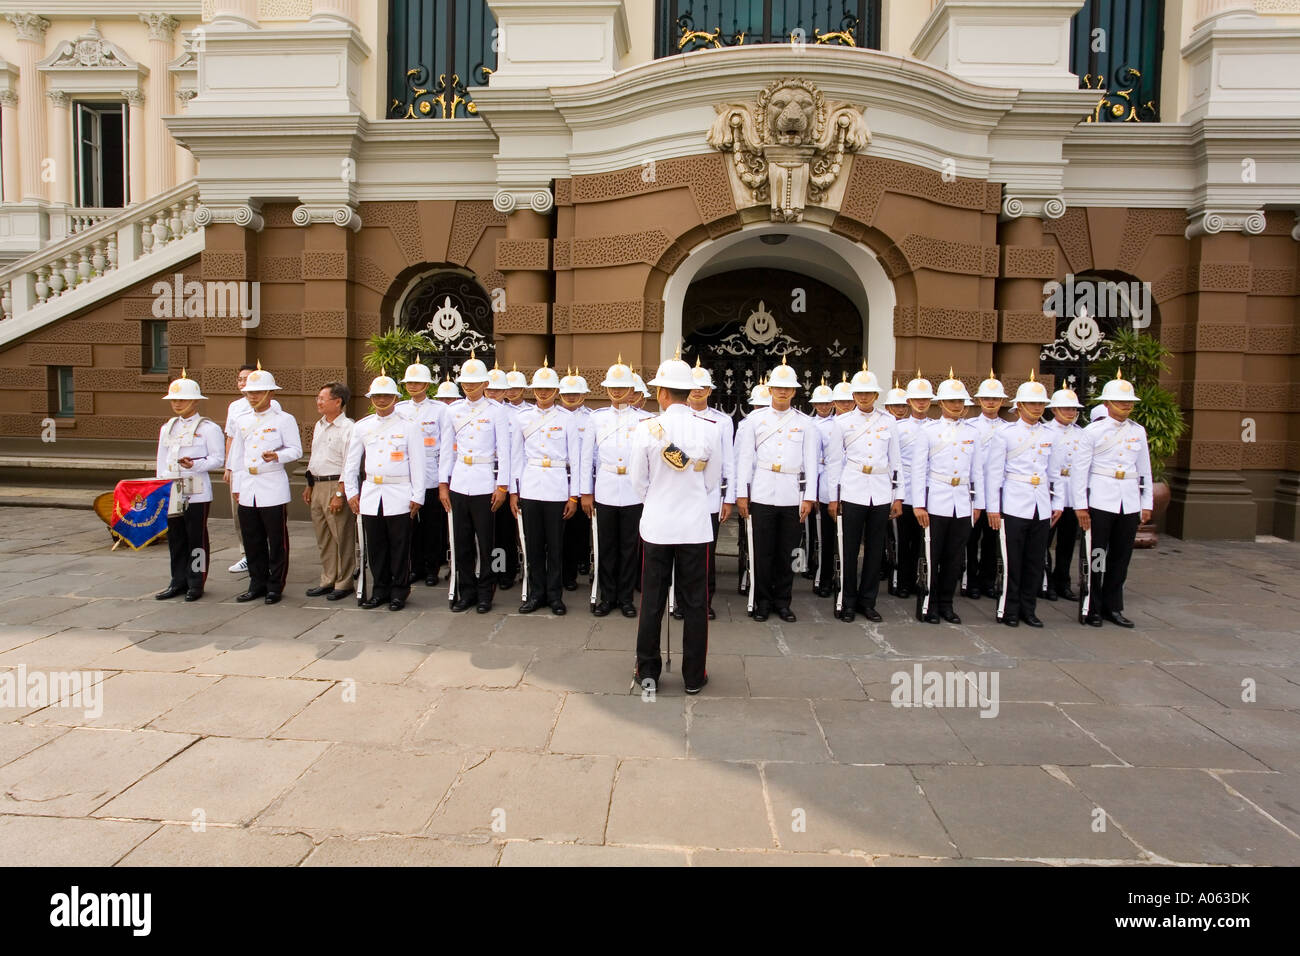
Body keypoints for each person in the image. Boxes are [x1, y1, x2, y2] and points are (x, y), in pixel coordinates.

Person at [630, 354, 722, 696]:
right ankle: (694, 675)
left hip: (657, 526)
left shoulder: (646, 429)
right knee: (696, 602)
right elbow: (712, 482)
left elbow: (638, 482)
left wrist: (656, 499)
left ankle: (648, 671)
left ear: (664, 394)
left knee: (652, 600)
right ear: (688, 393)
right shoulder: (710, 430)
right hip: (695, 527)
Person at [735, 358, 818, 623]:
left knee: (788, 552)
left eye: (787, 388)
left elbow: (811, 463)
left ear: (794, 392)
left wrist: (809, 497)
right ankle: (762, 601)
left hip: (792, 494)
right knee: (762, 551)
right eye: (778, 387)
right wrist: (741, 494)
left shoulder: (806, 423)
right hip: (762, 491)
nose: (782, 392)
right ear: (770, 390)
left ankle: (783, 601)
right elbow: (745, 460)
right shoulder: (754, 421)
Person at [1071, 372, 1153, 628]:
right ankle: (1092, 606)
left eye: (1129, 402)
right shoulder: (1093, 432)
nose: (1126, 406)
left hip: (1128, 500)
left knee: (1121, 556)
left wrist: (1146, 502)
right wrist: (1080, 506)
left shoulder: (1137, 432)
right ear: (1106, 404)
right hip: (1100, 499)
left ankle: (1113, 607)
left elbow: (1144, 470)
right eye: (1121, 402)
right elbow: (1079, 471)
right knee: (1097, 555)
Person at [985, 373, 1064, 628]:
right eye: (1032, 404)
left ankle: (1029, 609)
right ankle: (1009, 608)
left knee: (1034, 560)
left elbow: (1055, 473)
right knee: (1012, 562)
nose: (1037, 408)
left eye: (1041, 404)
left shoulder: (1050, 435)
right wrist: (993, 509)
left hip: (1040, 504)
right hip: (1014, 503)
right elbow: (994, 474)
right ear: (1019, 406)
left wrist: (1058, 503)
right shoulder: (1006, 434)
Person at [824, 367, 902, 623]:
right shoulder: (842, 422)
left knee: (875, 550)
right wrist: (834, 498)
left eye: (869, 393)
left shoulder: (888, 420)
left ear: (876, 395)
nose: (864, 397)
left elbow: (896, 461)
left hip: (879, 491)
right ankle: (847, 601)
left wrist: (897, 496)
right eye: (859, 393)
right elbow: (835, 462)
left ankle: (868, 601)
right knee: (848, 549)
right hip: (852, 489)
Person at [438, 353, 513, 613]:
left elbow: (504, 452)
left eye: (474, 383)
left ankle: (486, 592)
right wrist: (442, 484)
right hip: (459, 481)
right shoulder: (453, 410)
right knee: (462, 542)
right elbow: (447, 449)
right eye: (465, 383)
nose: (469, 387)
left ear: (485, 384)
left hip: (484, 482)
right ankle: (466, 591)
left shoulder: (497, 411)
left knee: (488, 544)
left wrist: (502, 486)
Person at [344, 373, 425, 610]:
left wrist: (417, 495)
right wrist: (351, 491)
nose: (381, 400)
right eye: (377, 396)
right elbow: (351, 464)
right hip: (371, 492)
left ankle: (399, 591)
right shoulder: (362, 426)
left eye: (386, 396)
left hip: (399, 491)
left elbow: (418, 465)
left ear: (395, 397)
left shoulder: (409, 427)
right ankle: (379, 589)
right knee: (376, 546)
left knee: (400, 545)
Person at [911, 373, 984, 624]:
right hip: (937, 500)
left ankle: (946, 604)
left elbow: (977, 472)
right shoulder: (929, 431)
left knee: (954, 558)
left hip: (962, 502)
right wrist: (919, 504)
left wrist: (978, 505)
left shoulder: (972, 432)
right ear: (940, 403)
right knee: (931, 556)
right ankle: (927, 604)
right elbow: (919, 470)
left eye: (960, 401)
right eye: (951, 401)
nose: (956, 405)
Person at [227, 365, 301, 604]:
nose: (253, 396)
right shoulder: (242, 420)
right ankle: (256, 582)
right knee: (252, 538)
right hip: (248, 484)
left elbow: (296, 450)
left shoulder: (283, 419)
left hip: (272, 484)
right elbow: (236, 455)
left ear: (270, 393)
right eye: (249, 392)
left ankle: (275, 585)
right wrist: (237, 485)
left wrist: (278, 455)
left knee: (276, 539)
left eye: (258, 392)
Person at [511, 362, 581, 615]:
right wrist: (513, 491)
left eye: (548, 388)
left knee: (556, 545)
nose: (543, 392)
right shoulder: (522, 418)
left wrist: (574, 496)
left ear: (556, 390)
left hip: (557, 486)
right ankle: (535, 594)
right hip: (530, 486)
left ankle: (554, 595)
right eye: (539, 388)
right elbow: (515, 458)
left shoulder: (567, 419)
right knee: (533, 545)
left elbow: (576, 458)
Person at [582, 358, 647, 618]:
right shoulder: (596, 419)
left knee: (629, 547)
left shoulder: (645, 420)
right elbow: (587, 458)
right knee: (606, 547)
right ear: (607, 389)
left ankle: (626, 598)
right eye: (613, 387)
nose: (618, 391)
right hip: (606, 487)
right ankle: (608, 598)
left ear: (632, 390)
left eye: (623, 387)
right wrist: (586, 492)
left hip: (633, 489)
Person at [154, 371, 225, 602]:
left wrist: (195, 464)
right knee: (176, 538)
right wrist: (160, 486)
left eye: (182, 400)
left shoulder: (208, 428)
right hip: (173, 489)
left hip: (196, 490)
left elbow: (218, 459)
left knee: (196, 538)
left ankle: (196, 581)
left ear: (195, 401)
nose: (177, 404)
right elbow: (161, 459)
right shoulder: (168, 427)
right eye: (174, 400)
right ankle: (178, 580)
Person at [678, 359, 734, 620]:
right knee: (681, 550)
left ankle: (703, 602)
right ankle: (680, 600)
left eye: (703, 387)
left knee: (706, 554)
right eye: (693, 387)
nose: (697, 391)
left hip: (710, 495)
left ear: (710, 391)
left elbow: (728, 462)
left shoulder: (721, 422)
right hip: (680, 494)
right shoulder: (676, 418)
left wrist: (728, 498)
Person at [397, 359, 448, 587]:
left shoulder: (439, 410)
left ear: (427, 385)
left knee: (432, 525)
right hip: (406, 474)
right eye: (410, 383)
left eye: (418, 383)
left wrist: (443, 480)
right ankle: (414, 566)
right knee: (410, 525)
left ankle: (431, 568)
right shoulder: (399, 409)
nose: (413, 386)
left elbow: (446, 445)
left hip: (430, 472)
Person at [303, 381, 356, 601]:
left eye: (322, 398)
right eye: (318, 398)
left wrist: (340, 493)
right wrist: (309, 484)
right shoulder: (319, 425)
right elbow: (315, 457)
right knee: (323, 536)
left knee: (341, 535)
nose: (318, 402)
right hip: (317, 484)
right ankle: (328, 578)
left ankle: (344, 582)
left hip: (336, 485)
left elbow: (349, 463)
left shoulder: (349, 428)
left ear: (338, 401)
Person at [964, 372, 1007, 599]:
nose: (991, 403)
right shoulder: (970, 427)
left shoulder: (1008, 429)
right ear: (979, 401)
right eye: (987, 399)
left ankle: (988, 581)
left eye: (995, 399)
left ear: (1002, 402)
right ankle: (971, 581)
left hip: (998, 492)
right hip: (973, 491)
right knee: (971, 541)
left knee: (993, 541)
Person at [1044, 387, 1086, 601]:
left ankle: (1063, 582)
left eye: (1073, 409)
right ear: (1054, 410)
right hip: (1051, 493)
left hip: (1073, 494)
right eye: (1065, 408)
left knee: (1068, 542)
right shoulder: (1046, 432)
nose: (1070, 412)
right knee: (1045, 542)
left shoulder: (1082, 434)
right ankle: (1046, 582)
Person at [894, 374, 933, 600]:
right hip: (906, 490)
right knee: (905, 541)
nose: (921, 403)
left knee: (924, 542)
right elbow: (895, 463)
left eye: (925, 399)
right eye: (916, 399)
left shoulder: (935, 428)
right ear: (909, 402)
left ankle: (921, 579)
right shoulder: (899, 428)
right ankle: (903, 581)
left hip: (928, 493)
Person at [734, 379, 772, 607]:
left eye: (763, 406)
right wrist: (740, 491)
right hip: (751, 488)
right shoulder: (747, 424)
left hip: (767, 486)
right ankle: (745, 576)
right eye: (756, 406)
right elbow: (740, 459)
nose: (759, 410)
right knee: (745, 540)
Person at [559, 370, 594, 593]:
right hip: (559, 477)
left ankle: (577, 568)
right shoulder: (555, 416)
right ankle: (564, 572)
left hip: (582, 479)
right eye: (567, 393)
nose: (571, 397)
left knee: (579, 530)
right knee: (560, 532)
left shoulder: (591, 418)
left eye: (576, 393)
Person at [222, 363, 259, 573]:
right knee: (239, 513)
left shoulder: (272, 406)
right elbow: (231, 438)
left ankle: (265, 551)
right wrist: (229, 466)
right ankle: (245, 553)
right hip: (239, 467)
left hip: (259, 468)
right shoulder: (235, 407)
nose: (242, 383)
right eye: (240, 379)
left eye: (247, 378)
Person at [487, 363, 521, 591]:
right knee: (488, 529)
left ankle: (507, 571)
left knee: (506, 530)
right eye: (489, 390)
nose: (493, 394)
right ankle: (493, 570)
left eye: (498, 391)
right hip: (483, 475)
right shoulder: (479, 412)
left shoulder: (516, 415)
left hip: (505, 477)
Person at [808, 379, 837, 599]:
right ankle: (820, 573)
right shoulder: (810, 424)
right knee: (820, 536)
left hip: (848, 485)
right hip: (822, 481)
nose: (824, 407)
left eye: (828, 404)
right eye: (820, 404)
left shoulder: (841, 423)